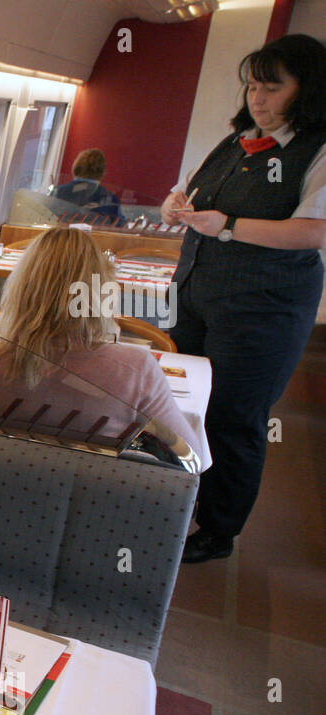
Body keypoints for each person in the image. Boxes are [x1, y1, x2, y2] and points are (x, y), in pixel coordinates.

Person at [160, 34, 326, 562]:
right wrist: (173, 205)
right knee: (181, 404)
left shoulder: (316, 152)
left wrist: (227, 226)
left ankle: (218, 528)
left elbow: (312, 232)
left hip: (264, 307)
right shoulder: (236, 143)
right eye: (253, 86)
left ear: (307, 90)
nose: (258, 99)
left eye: (272, 88)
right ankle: (177, 504)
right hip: (196, 293)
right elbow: (188, 192)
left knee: (233, 414)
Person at [0, 227, 203, 458]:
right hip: (97, 502)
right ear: (102, 290)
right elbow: (192, 458)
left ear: (20, 290)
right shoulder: (136, 369)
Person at [53, 148, 123, 224]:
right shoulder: (110, 198)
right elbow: (121, 227)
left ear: (76, 167)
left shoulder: (57, 192)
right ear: (102, 171)